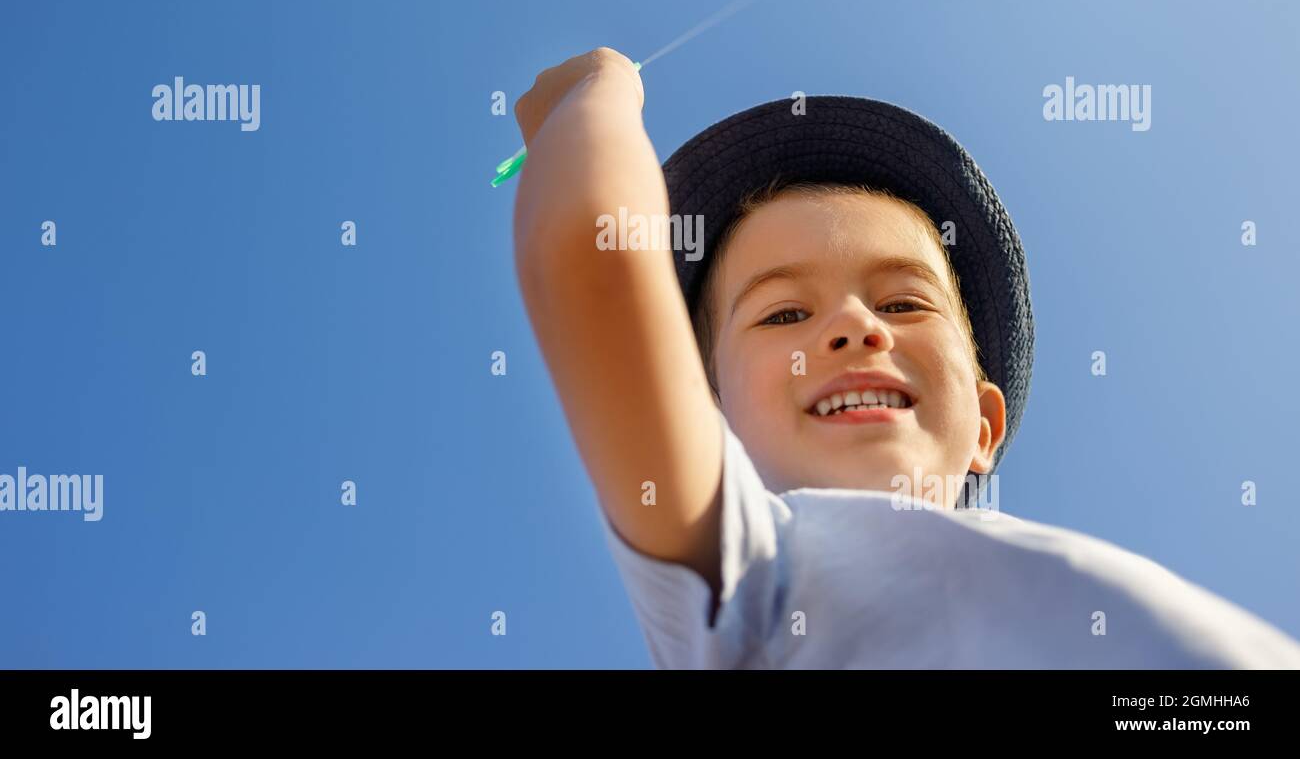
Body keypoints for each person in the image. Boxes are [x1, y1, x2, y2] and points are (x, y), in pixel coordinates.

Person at [510, 46, 1300, 668]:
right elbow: (595, 250)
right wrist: (594, 93)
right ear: (704, 416)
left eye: (902, 304)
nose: (857, 328)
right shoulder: (755, 572)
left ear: (986, 422)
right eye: (784, 313)